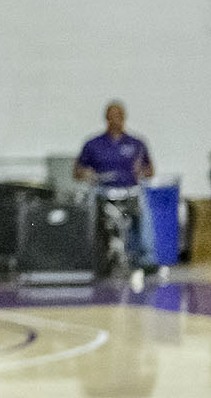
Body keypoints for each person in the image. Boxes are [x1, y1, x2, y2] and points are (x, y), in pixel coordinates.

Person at [76, 100, 160, 288]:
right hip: (103, 192)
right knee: (90, 206)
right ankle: (94, 257)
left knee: (144, 210)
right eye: (112, 116)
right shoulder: (93, 144)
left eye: (119, 116)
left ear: (124, 118)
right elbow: (77, 171)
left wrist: (142, 172)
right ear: (106, 118)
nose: (115, 120)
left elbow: (150, 170)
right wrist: (87, 174)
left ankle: (146, 258)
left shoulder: (136, 144)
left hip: (129, 191)